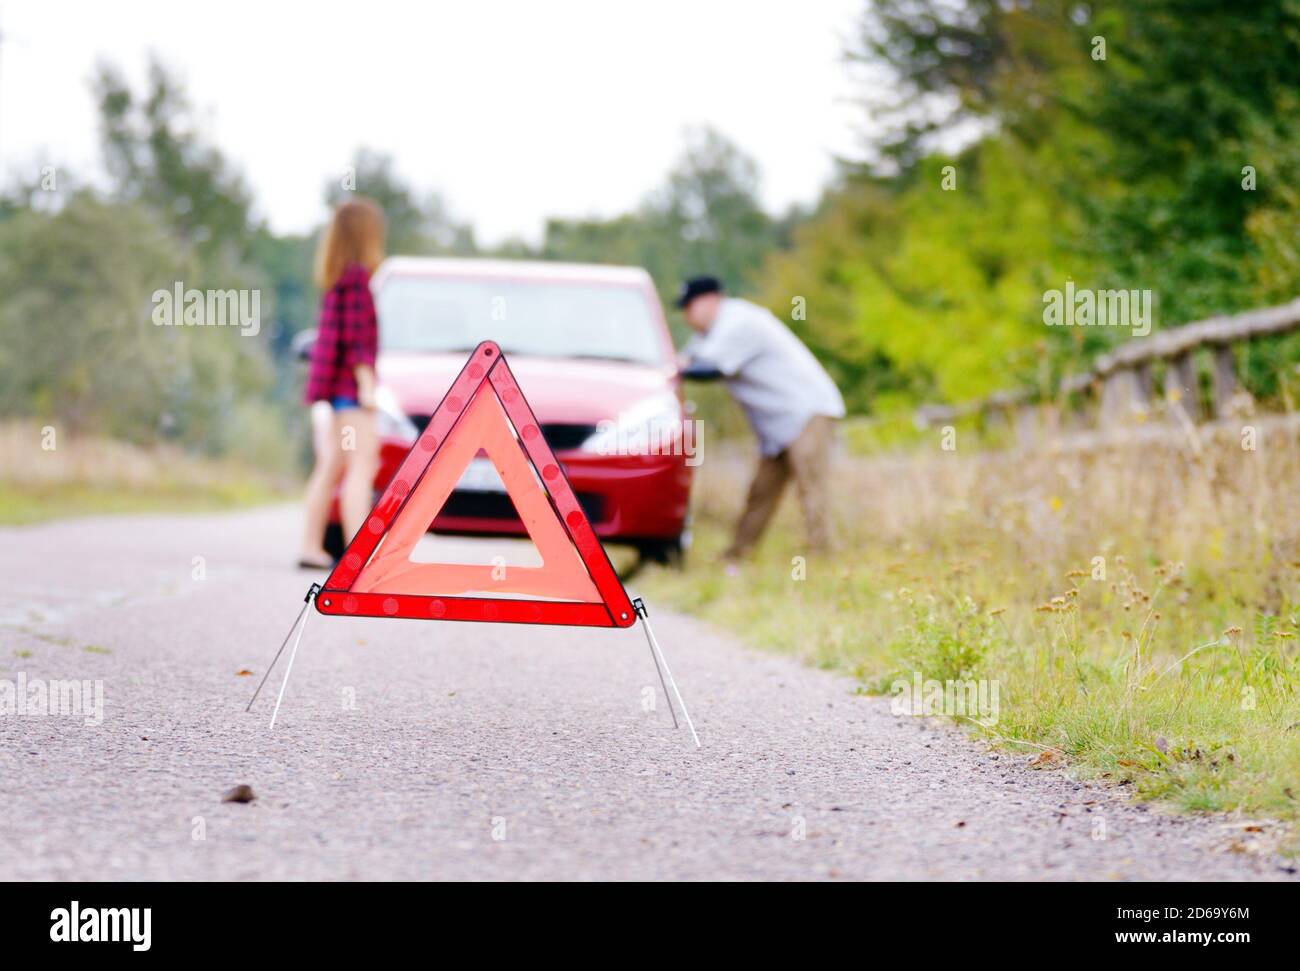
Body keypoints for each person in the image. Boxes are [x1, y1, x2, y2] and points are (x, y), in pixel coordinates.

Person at [676, 275, 845, 560]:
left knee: (811, 487)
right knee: (761, 492)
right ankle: (736, 556)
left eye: (688, 306)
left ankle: (824, 556)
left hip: (806, 411)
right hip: (777, 426)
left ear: (709, 300)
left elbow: (708, 369)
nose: (686, 315)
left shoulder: (738, 321)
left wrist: (676, 368)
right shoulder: (707, 335)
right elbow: (683, 360)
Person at [298, 198, 386, 570]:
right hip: (351, 390)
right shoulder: (357, 279)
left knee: (332, 464)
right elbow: (356, 342)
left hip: (335, 391)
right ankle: (358, 554)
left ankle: (310, 546)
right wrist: (367, 387)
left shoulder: (337, 279)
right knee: (363, 465)